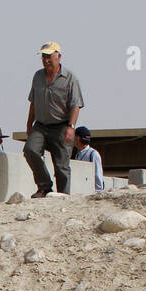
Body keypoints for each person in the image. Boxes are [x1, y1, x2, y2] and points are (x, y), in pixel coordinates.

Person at [24, 41, 84, 197]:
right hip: (41, 126)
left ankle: (63, 196)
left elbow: (75, 105)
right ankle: (44, 186)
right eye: (43, 57)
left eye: (49, 56)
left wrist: (71, 127)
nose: (46, 60)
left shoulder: (70, 79)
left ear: (59, 56)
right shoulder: (38, 76)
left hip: (61, 126)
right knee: (30, 150)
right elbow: (33, 102)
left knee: (61, 165)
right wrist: (29, 124)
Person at [71, 126, 106, 192]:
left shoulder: (93, 154)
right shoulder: (77, 154)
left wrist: (98, 191)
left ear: (78, 138)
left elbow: (98, 174)